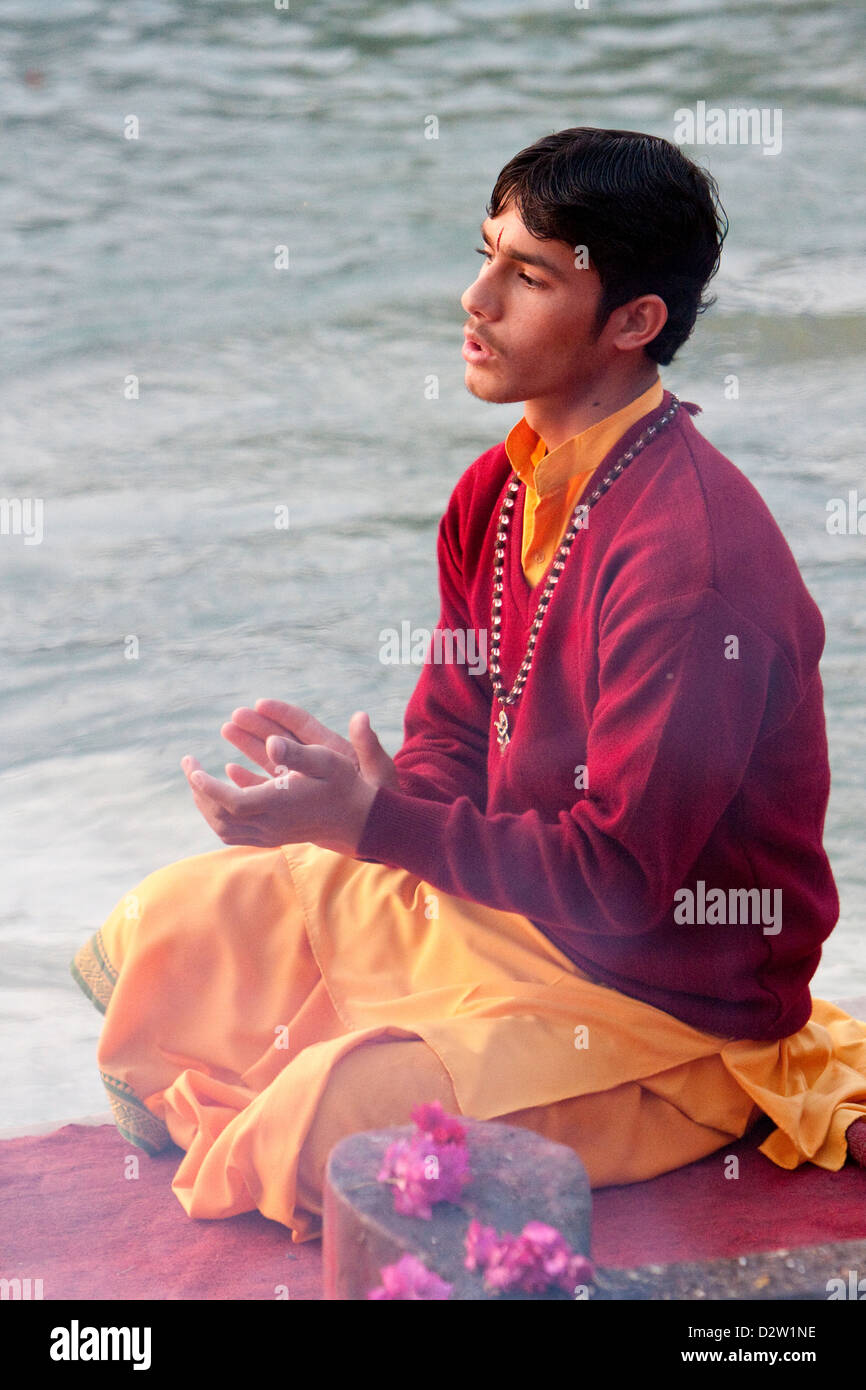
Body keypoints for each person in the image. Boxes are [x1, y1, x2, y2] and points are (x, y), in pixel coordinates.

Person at [72, 127, 866, 1242]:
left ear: (633, 323)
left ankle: (683, 1097)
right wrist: (366, 804)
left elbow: (624, 883)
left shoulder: (690, 566)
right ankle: (359, 1048)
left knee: (332, 1130)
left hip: (661, 1003)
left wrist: (378, 823)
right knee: (160, 932)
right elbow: (450, 735)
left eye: (529, 275)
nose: (475, 297)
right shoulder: (494, 492)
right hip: (509, 917)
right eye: (485, 253)